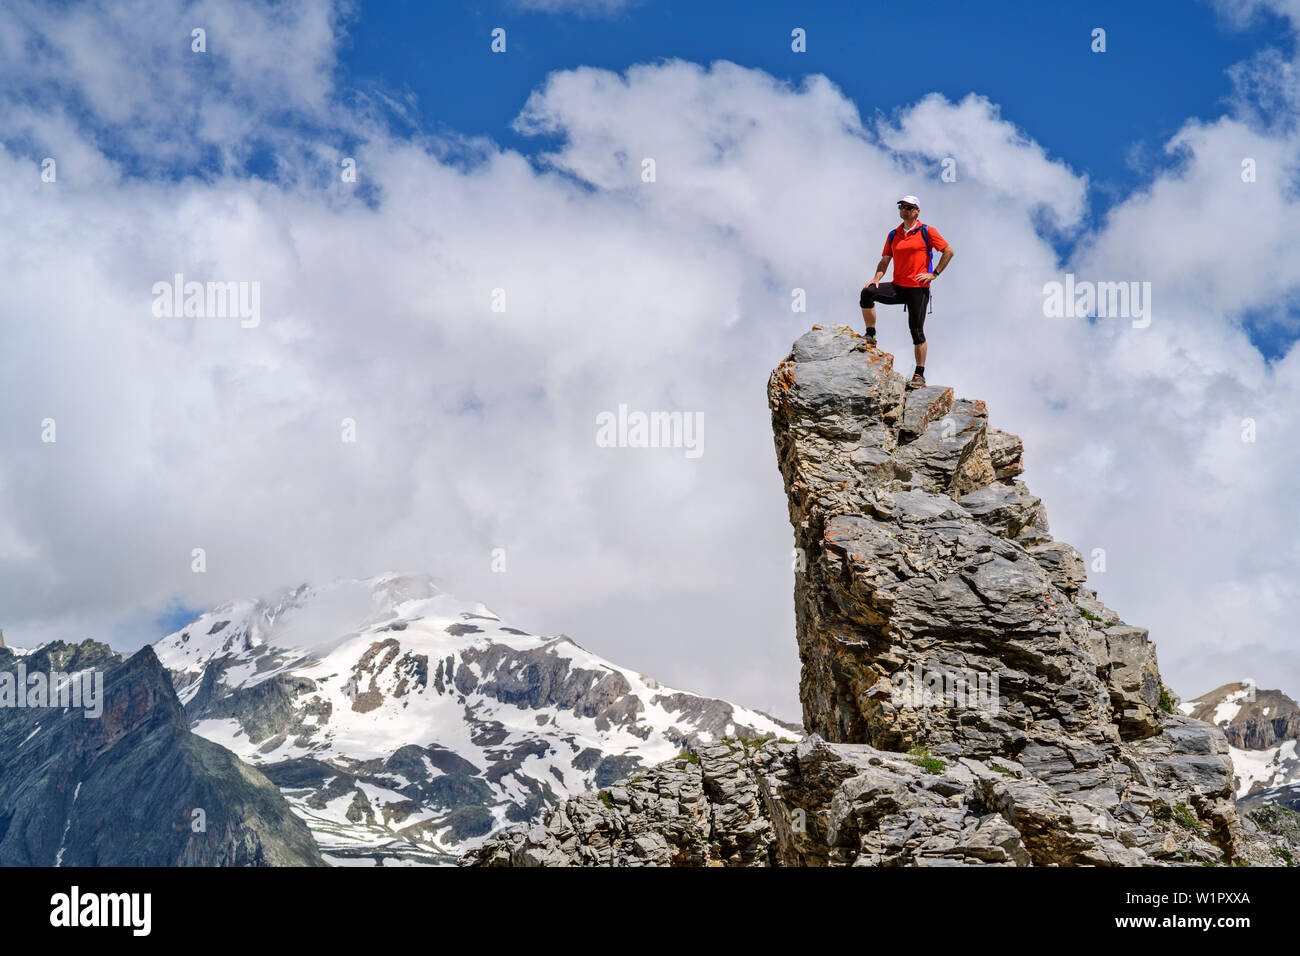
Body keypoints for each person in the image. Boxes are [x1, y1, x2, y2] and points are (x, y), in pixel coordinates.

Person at [860, 195, 954, 389]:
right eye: (901, 207)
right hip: (898, 287)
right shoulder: (894, 234)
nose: (904, 210)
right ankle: (870, 335)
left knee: (916, 331)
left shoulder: (927, 231)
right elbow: (885, 259)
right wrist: (877, 278)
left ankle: (919, 374)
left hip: (918, 290)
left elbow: (948, 251)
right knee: (868, 293)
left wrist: (933, 274)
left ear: (917, 211)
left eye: (908, 207)